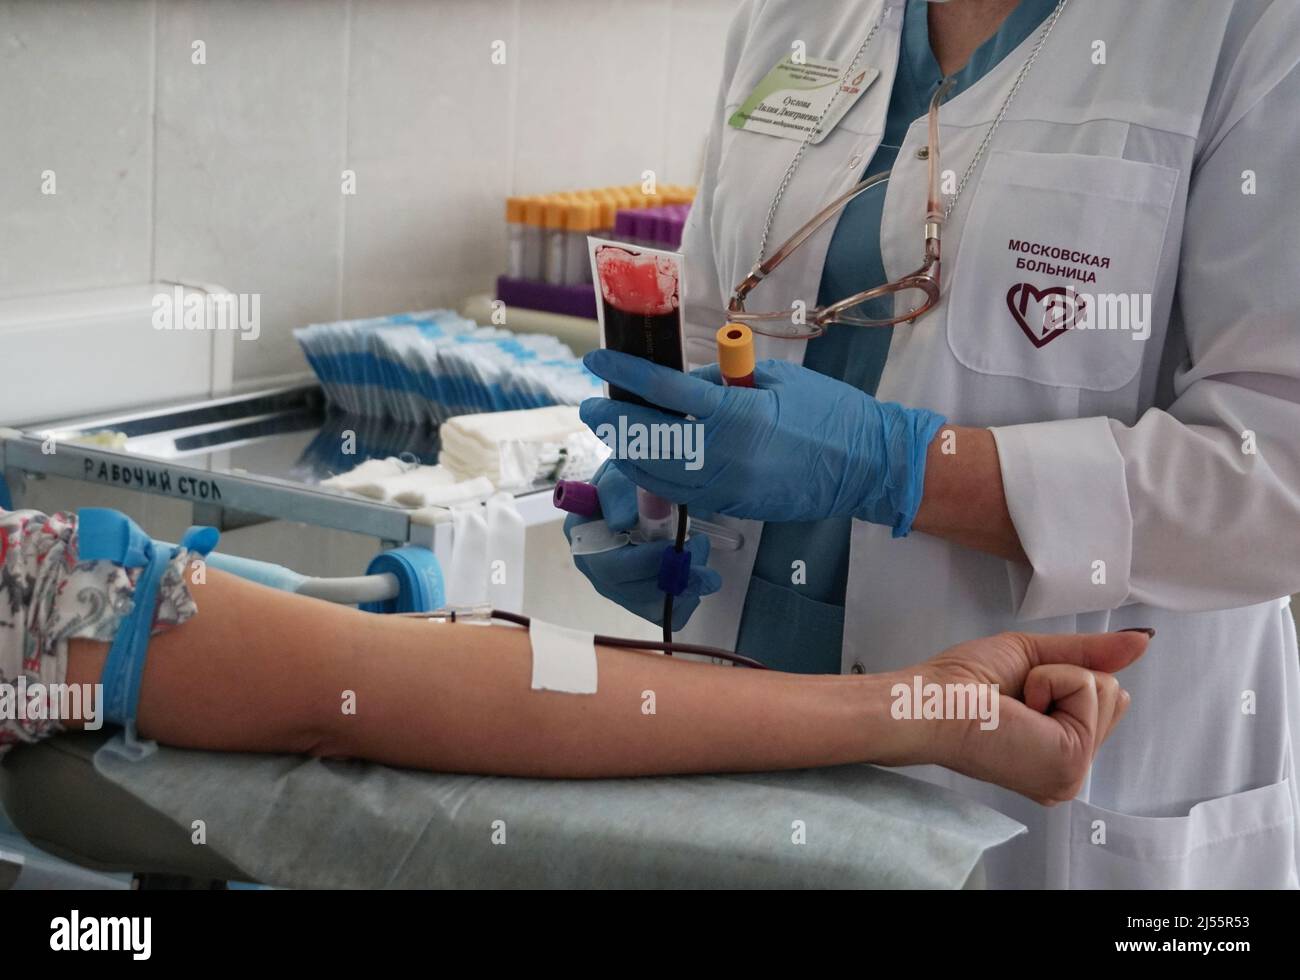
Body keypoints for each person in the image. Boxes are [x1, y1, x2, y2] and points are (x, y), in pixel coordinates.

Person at [570, 0, 1300, 888]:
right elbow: (707, 335)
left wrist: (903, 465)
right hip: (747, 723)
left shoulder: (1253, 27)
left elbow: (1277, 487)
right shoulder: (789, 14)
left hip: (1050, 766)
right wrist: (660, 487)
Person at [0, 506, 1147, 808]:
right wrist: (909, 710)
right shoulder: (46, 595)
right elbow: (363, 695)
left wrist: (921, 707)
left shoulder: (45, 591)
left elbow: (371, 684)